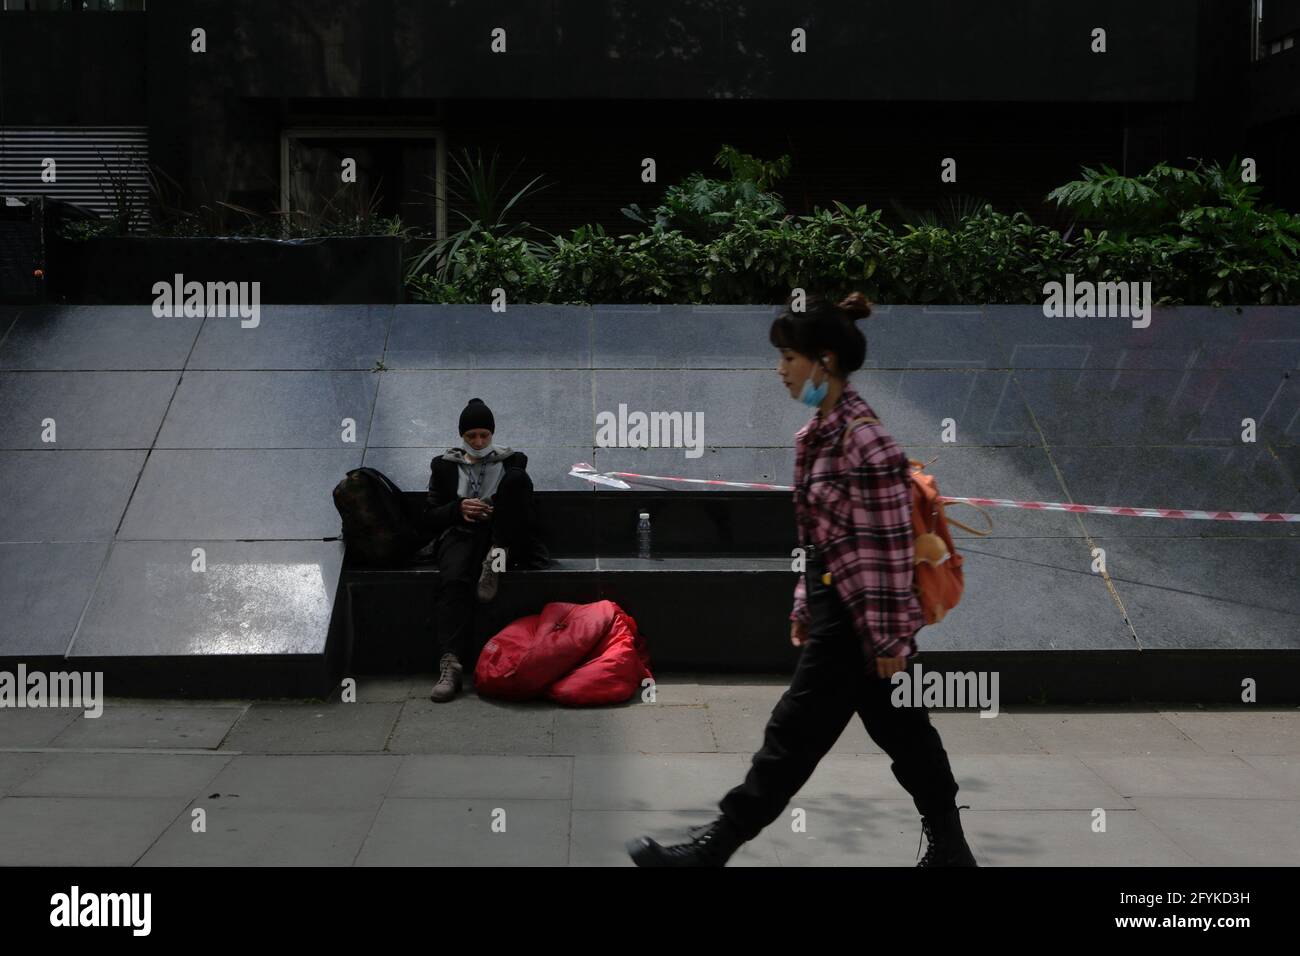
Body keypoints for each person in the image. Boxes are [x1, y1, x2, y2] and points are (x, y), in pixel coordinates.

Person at [626, 292, 977, 867]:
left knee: (792, 735)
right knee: (906, 734)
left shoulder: (868, 443)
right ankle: (952, 850)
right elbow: (814, 538)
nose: (780, 370)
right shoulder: (814, 437)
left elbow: (889, 549)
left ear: (825, 361)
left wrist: (889, 640)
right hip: (838, 605)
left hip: (861, 619)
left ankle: (713, 850)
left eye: (790, 357)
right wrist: (802, 601)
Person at [425, 397, 548, 702]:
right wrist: (458, 508)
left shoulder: (511, 461)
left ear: (492, 434)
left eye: (484, 435)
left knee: (518, 482)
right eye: (471, 436)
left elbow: (522, 503)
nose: (478, 442)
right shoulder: (444, 466)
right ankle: (450, 663)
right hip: (462, 534)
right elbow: (429, 516)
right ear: (461, 437)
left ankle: (496, 556)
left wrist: (497, 508)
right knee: (454, 579)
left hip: (501, 534)